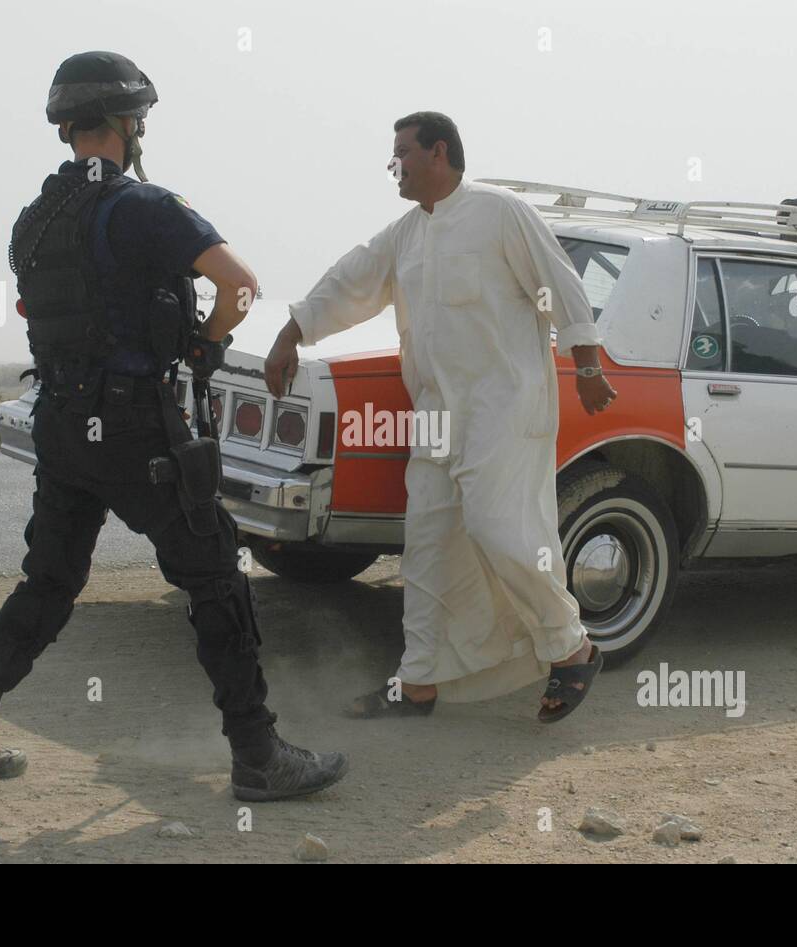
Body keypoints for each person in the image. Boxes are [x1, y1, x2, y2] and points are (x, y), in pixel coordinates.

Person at [0, 51, 347, 801]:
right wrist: (206, 343)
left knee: (49, 583)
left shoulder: (34, 221)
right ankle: (258, 755)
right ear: (129, 123)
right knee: (215, 577)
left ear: (68, 127)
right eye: (139, 120)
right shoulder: (144, 205)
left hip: (62, 424)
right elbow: (239, 286)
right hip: (136, 432)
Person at [264, 112, 616, 722]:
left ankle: (571, 646)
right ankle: (418, 682)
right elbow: (350, 280)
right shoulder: (405, 234)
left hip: (502, 404)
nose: (393, 164)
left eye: (402, 152)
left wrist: (586, 364)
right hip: (433, 410)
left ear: (440, 152)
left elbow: (558, 282)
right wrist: (290, 333)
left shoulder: (499, 212)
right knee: (425, 542)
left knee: (494, 525)